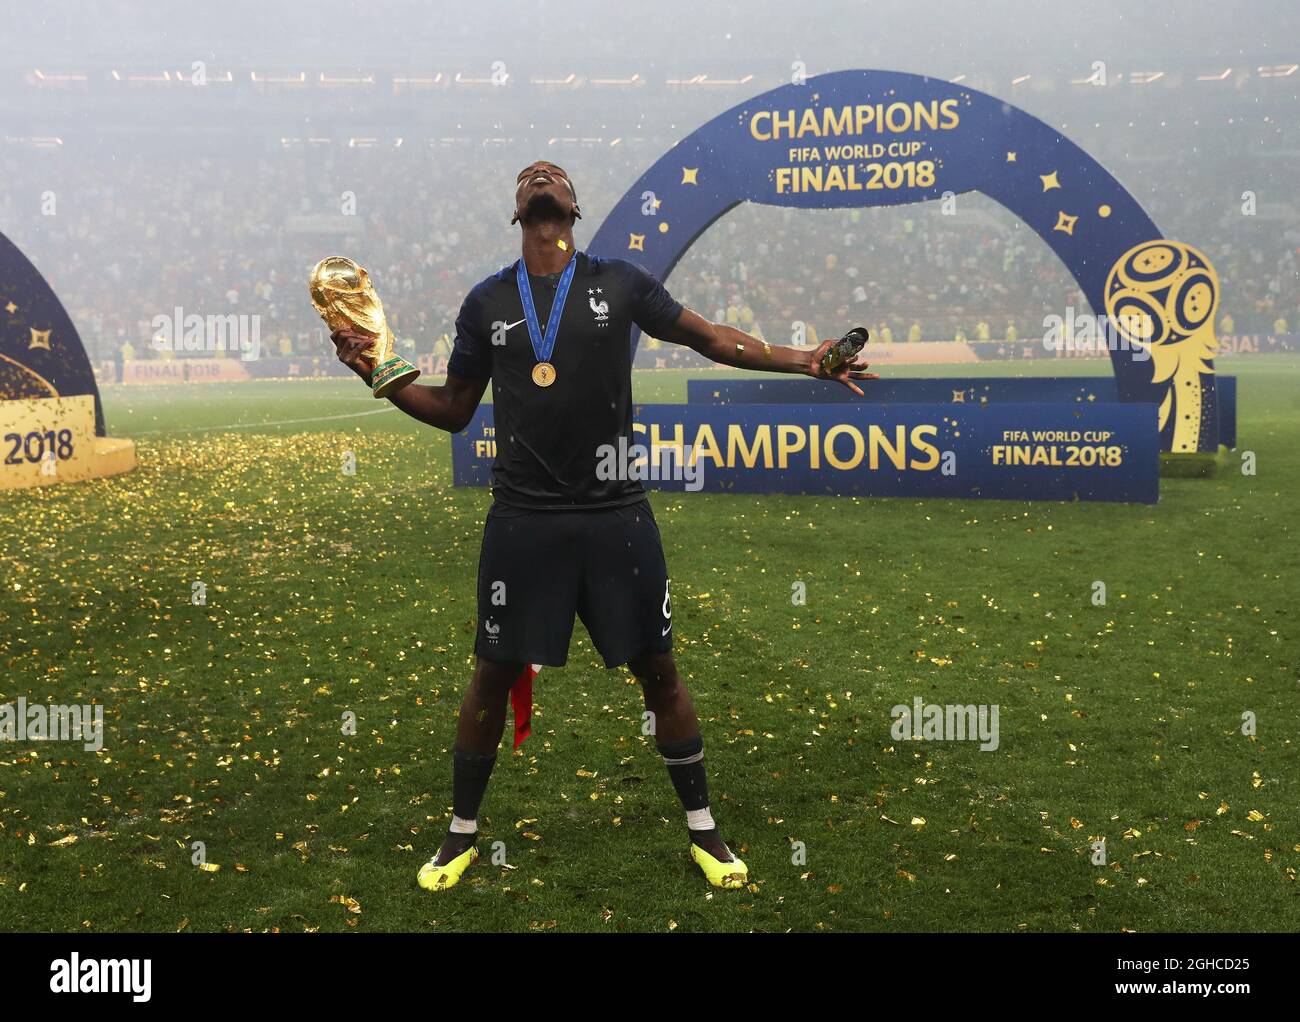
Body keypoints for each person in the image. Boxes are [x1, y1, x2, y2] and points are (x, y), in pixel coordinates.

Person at [331, 161, 876, 893]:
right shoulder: (487, 300)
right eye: (529, 177)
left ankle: (705, 829)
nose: (542, 178)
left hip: (617, 514)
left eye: (553, 176)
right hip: (523, 520)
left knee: (660, 671)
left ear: (574, 207)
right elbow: (455, 408)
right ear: (517, 210)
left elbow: (711, 338)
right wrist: (378, 372)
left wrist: (803, 359)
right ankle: (459, 834)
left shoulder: (620, 283)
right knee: (492, 674)